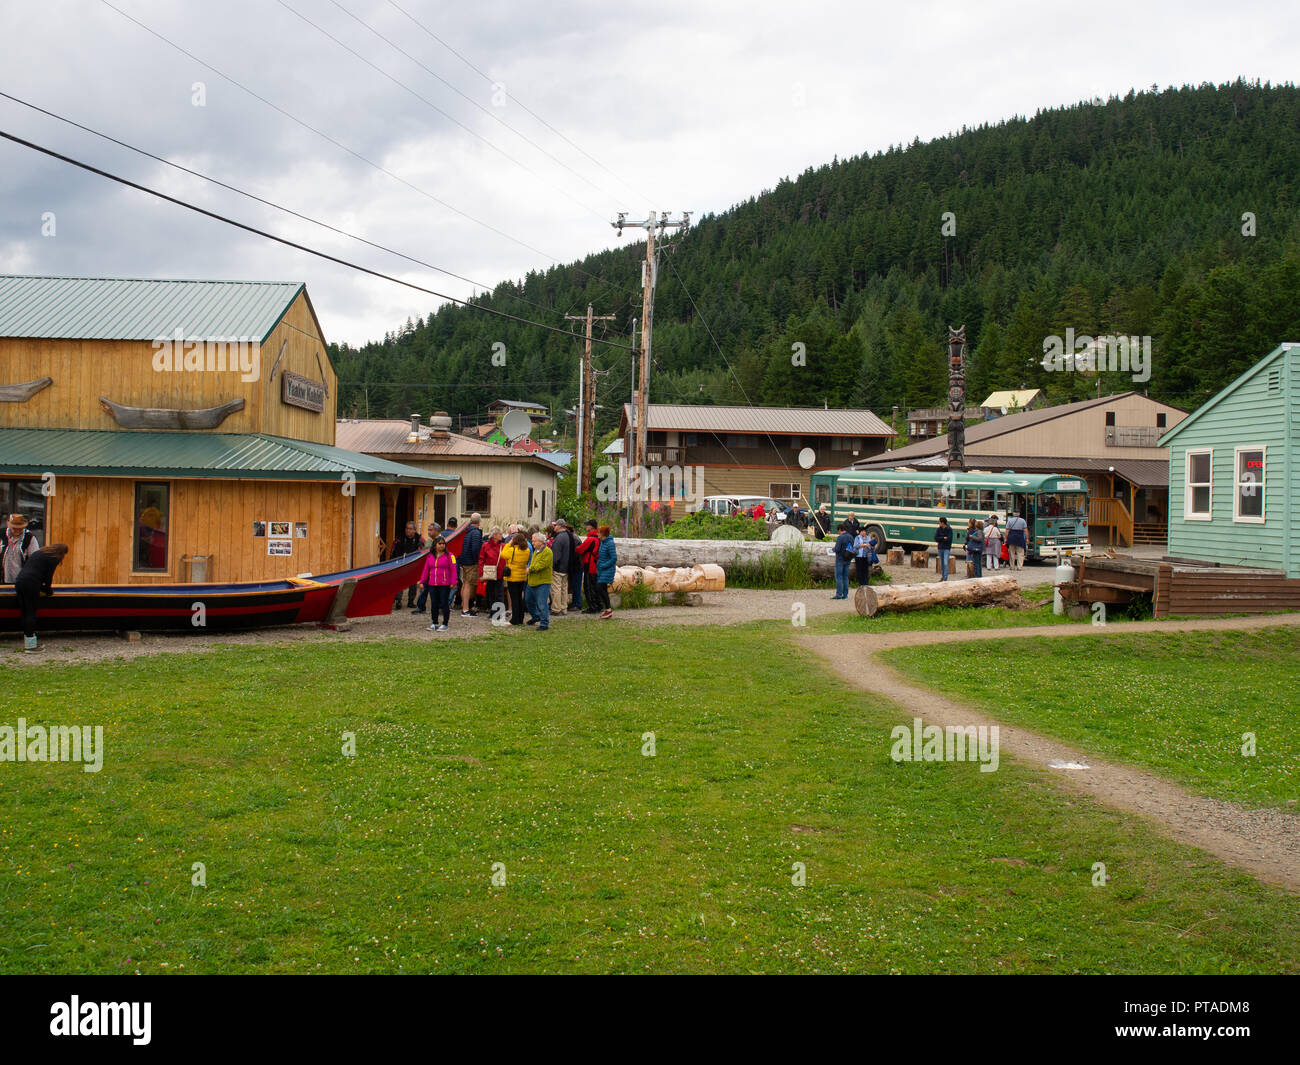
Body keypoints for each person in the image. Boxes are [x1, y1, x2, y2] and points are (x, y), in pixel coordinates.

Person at [15, 542, 68, 652]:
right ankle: (30, 646)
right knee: (31, 612)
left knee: (24, 611)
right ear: (61, 553)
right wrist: (48, 591)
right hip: (32, 583)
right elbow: (48, 577)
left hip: (20, 581)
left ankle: (27, 641)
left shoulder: (39, 553)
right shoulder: (53, 558)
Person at [418, 536, 458, 631]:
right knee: (434, 604)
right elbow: (426, 570)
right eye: (439, 543)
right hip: (432, 583)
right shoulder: (430, 556)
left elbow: (453, 570)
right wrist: (422, 581)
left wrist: (454, 582)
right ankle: (434, 623)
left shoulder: (450, 556)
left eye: (443, 543)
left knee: (444, 603)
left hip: (444, 584)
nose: (442, 545)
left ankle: (445, 623)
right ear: (435, 545)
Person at [391, 521, 425, 610]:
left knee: (413, 583)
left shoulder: (419, 539)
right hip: (400, 563)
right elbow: (393, 550)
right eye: (407, 528)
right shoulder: (399, 538)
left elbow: (422, 551)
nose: (408, 530)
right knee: (399, 583)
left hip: (413, 564)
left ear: (414, 530)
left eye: (410, 529)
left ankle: (411, 601)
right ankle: (398, 600)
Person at [499, 531, 530, 626]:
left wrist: (508, 544)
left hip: (512, 577)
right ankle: (520, 618)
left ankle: (515, 619)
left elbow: (503, 554)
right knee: (519, 598)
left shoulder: (512, 550)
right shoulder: (527, 550)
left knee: (514, 599)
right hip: (521, 577)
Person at [525, 532, 553, 630]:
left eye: (534, 541)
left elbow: (541, 565)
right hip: (532, 581)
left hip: (543, 582)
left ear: (541, 542)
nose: (532, 543)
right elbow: (532, 563)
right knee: (528, 601)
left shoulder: (547, 552)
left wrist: (530, 569)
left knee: (542, 603)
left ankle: (544, 623)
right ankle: (536, 616)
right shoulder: (535, 551)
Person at [2, 513, 40, 584]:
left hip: (22, 580)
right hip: (2, 578)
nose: (17, 530)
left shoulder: (29, 538)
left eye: (20, 528)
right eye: (14, 528)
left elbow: (35, 559)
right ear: (9, 526)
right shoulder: (1, 535)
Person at [459, 512, 484, 617]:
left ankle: (464, 606)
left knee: (465, 583)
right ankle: (465, 609)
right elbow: (475, 549)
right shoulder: (476, 533)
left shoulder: (468, 531)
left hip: (464, 560)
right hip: (471, 562)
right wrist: (476, 560)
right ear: (479, 521)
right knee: (468, 584)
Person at [548, 518, 573, 617]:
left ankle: (556, 609)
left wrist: (552, 565)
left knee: (556, 589)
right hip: (566, 567)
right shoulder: (568, 536)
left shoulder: (559, 538)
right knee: (564, 588)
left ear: (559, 526)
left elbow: (556, 554)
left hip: (558, 567)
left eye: (555, 525)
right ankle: (564, 608)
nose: (554, 527)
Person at [479, 526, 505, 620]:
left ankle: (499, 613)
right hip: (489, 573)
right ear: (494, 535)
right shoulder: (485, 545)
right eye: (500, 534)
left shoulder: (503, 546)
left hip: (499, 573)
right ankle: (493, 612)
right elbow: (481, 559)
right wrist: (481, 573)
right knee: (490, 593)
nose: (502, 536)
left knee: (499, 594)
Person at [576, 519, 601, 614]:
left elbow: (579, 550)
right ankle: (598, 605)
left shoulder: (590, 539)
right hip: (595, 565)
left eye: (587, 525)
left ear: (591, 527)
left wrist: (577, 547)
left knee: (588, 587)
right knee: (595, 586)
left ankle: (592, 607)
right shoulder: (598, 537)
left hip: (589, 565)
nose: (586, 527)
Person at [594, 525, 617, 619]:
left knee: (600, 587)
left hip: (607, 570)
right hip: (602, 569)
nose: (597, 534)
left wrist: (603, 565)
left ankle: (608, 609)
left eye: (599, 532)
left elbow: (614, 558)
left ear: (603, 534)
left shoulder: (610, 543)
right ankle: (608, 610)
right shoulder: (603, 542)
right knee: (602, 589)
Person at [831, 522, 854, 600]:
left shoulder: (840, 537)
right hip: (848, 559)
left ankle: (839, 594)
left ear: (840, 530)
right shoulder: (851, 537)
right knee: (845, 577)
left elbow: (837, 549)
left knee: (839, 577)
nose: (838, 533)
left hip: (840, 559)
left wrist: (832, 549)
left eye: (838, 531)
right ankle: (845, 595)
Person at [935, 516, 953, 581]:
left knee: (945, 563)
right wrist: (943, 538)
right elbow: (936, 538)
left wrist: (941, 539)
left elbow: (949, 539)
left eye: (939, 522)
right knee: (942, 563)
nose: (939, 523)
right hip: (940, 548)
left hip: (946, 548)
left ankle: (945, 577)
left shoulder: (949, 529)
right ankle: (943, 576)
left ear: (943, 523)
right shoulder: (938, 529)